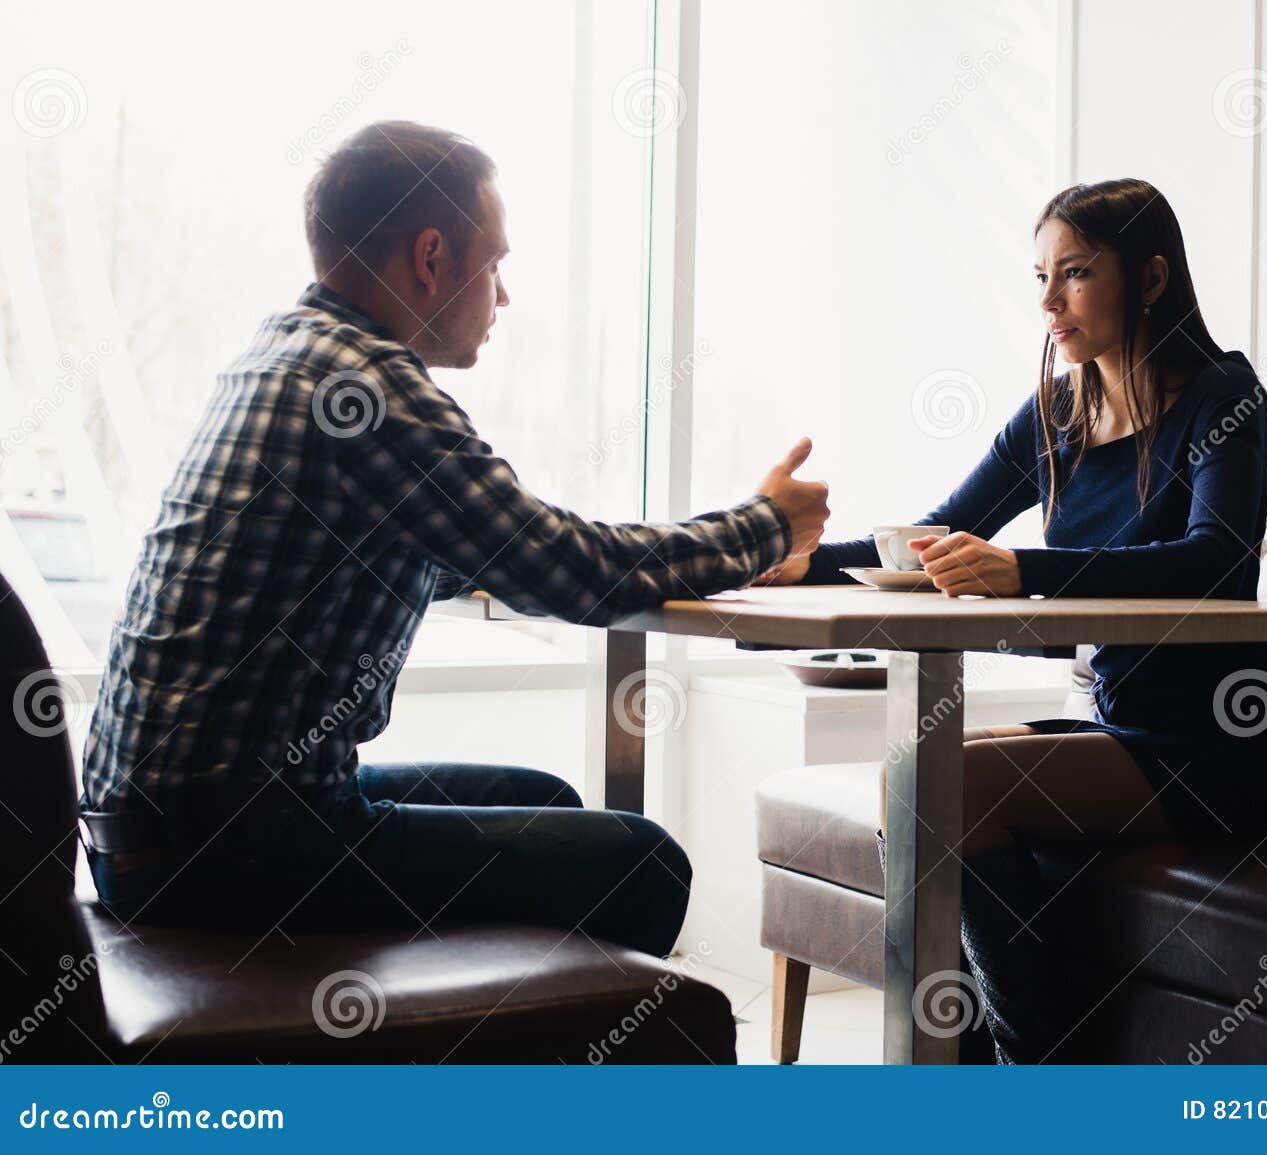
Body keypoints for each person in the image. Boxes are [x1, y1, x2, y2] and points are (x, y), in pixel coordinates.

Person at [79, 121, 829, 959]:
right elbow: (575, 571)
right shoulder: (365, 383)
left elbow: (454, 548)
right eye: (497, 263)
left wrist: (520, 552)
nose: (503, 296)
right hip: (230, 849)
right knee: (643, 865)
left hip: (157, 830)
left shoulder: (285, 349)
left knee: (547, 800)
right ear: (432, 257)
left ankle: (509, 1032)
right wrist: (767, 526)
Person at [761, 177, 1267, 1062]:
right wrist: (795, 558)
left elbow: (1217, 563)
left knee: (940, 787)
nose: (1049, 302)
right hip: (1123, 727)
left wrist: (1024, 570)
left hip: (1228, 748)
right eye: (1041, 277)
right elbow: (936, 536)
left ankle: (1041, 1081)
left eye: (1075, 274)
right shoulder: (1059, 409)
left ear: (1151, 277)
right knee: (919, 774)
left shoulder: (1221, 396)